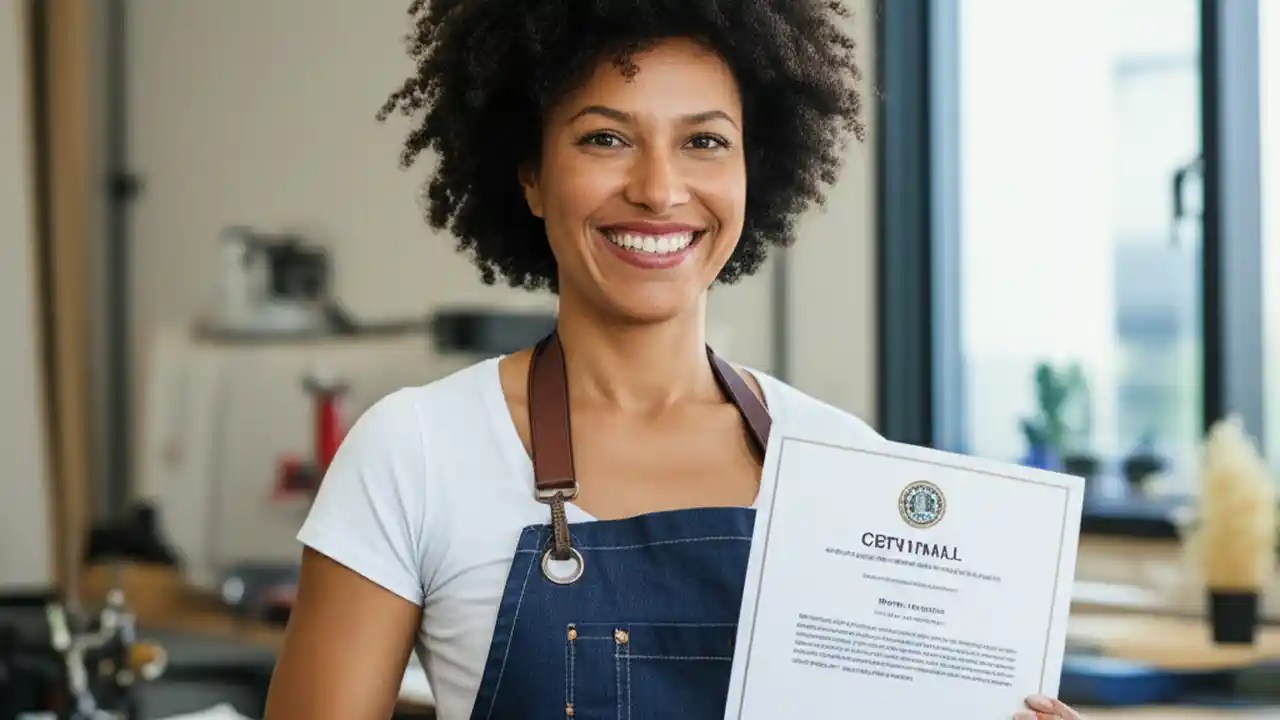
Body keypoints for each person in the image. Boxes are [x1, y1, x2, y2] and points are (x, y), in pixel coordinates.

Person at [263, 1, 1083, 718]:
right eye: (606, 137)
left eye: (704, 141)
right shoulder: (415, 452)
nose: (659, 190)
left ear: (753, 174)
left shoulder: (847, 467)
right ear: (531, 178)